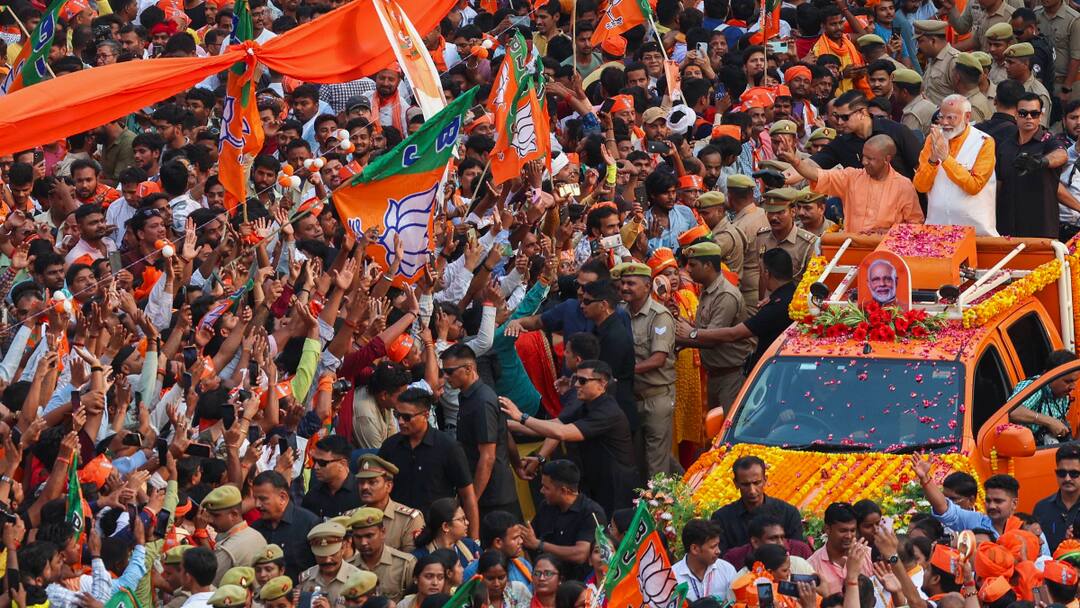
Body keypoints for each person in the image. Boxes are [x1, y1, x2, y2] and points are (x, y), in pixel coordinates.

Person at [500, 359, 638, 515]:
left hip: (615, 485)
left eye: (582, 380)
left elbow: (561, 433)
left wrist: (521, 417)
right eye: (575, 379)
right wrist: (509, 424)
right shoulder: (583, 404)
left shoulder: (608, 412)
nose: (577, 385)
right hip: (594, 479)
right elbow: (553, 426)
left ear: (602, 383)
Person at [377, 388, 481, 538]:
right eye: (397, 415)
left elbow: (468, 495)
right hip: (397, 531)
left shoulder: (448, 447)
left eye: (406, 417)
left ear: (425, 415)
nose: (400, 421)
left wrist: (474, 541)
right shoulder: (390, 447)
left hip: (437, 532)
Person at [782, 134, 924, 233]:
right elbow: (817, 175)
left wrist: (890, 232)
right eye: (863, 156)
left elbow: (915, 225)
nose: (864, 162)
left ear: (887, 159)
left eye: (870, 159)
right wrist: (795, 162)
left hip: (885, 256)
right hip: (851, 250)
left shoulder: (903, 186)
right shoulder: (851, 177)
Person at [613, 262, 679, 476]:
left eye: (631, 283)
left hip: (656, 398)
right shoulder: (620, 312)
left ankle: (662, 508)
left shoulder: (659, 316)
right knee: (643, 460)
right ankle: (687, 487)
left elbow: (658, 359)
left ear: (647, 286)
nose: (625, 288)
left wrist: (621, 373)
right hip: (632, 399)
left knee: (655, 466)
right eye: (623, 283)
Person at [675, 242, 755, 411]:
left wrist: (684, 336)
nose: (688, 269)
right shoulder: (707, 289)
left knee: (726, 428)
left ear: (708, 266)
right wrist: (686, 325)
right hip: (716, 374)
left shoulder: (725, 294)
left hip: (731, 376)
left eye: (693, 265)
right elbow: (703, 329)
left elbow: (712, 338)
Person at [443, 343, 519, 518]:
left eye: (450, 372)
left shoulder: (482, 401)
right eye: (444, 372)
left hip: (492, 497)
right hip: (486, 491)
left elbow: (488, 457)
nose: (446, 377)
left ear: (469, 368)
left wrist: (472, 502)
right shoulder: (468, 395)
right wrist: (518, 466)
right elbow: (504, 432)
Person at [913, 95, 998, 235]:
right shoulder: (933, 139)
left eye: (951, 118)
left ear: (967, 117)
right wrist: (933, 160)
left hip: (975, 231)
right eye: (941, 117)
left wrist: (946, 159)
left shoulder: (984, 142)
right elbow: (921, 186)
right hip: (937, 229)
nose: (944, 123)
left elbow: (974, 186)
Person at [996, 93, 1069, 237]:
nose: (1029, 117)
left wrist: (1041, 162)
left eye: (1034, 113)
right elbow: (998, 184)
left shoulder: (1049, 141)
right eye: (1023, 113)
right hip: (1007, 226)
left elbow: (1061, 155)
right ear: (1016, 115)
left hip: (1041, 227)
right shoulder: (1005, 146)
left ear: (1041, 116)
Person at [526, 460, 606, 575]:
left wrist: (540, 545)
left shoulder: (591, 513)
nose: (541, 491)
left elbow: (580, 554)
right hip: (549, 579)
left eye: (546, 487)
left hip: (582, 585)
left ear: (564, 491)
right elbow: (529, 541)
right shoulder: (546, 507)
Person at [710, 457, 805, 550]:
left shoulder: (788, 513)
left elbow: (797, 552)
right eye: (745, 485)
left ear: (765, 480)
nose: (752, 491)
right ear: (736, 483)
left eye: (757, 483)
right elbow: (719, 560)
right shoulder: (722, 518)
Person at [250, 470, 319, 581]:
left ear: (282, 497)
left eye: (263, 499)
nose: (257, 505)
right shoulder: (255, 530)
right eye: (255, 499)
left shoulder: (309, 524)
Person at [355, 454, 425, 554]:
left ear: (388, 486)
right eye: (361, 482)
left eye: (372, 482)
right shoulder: (350, 517)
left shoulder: (409, 519)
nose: (364, 487)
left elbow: (412, 562)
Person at [200, 484, 268, 585]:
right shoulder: (257, 535)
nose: (210, 520)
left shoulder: (228, 550)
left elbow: (206, 584)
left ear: (234, 514)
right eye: (209, 515)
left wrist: (201, 535)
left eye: (215, 516)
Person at [1008, 349, 1079, 445]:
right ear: (1051, 376)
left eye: (1075, 381)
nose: (1073, 387)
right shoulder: (1034, 387)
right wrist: (1049, 421)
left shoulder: (1063, 396)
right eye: (1068, 381)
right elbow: (1013, 411)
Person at [348, 507, 417, 601]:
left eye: (369, 536)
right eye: (358, 537)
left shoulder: (405, 565)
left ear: (383, 532)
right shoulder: (348, 566)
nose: (363, 542)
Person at [807, 502, 869, 596]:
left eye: (852, 530)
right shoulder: (812, 566)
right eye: (843, 531)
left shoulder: (867, 555)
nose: (849, 536)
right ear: (827, 529)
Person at [299, 521, 365, 606]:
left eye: (333, 554)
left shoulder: (358, 579)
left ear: (343, 548)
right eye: (322, 555)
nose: (327, 560)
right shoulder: (305, 579)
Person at [672, 519, 738, 601]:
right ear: (695, 549)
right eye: (713, 547)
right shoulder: (672, 578)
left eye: (718, 545)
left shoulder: (727, 570)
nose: (718, 551)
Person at [302, 434, 363, 518]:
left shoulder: (362, 493)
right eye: (314, 460)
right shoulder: (312, 497)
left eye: (322, 463)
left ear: (342, 463)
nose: (316, 467)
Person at [1034, 445, 1080, 553]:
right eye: (1062, 473)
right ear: (1056, 473)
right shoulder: (1041, 508)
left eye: (1074, 474)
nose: (1067, 478)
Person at [412, 498, 480, 567]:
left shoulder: (471, 546)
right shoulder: (419, 558)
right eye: (461, 519)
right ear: (445, 526)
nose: (467, 523)